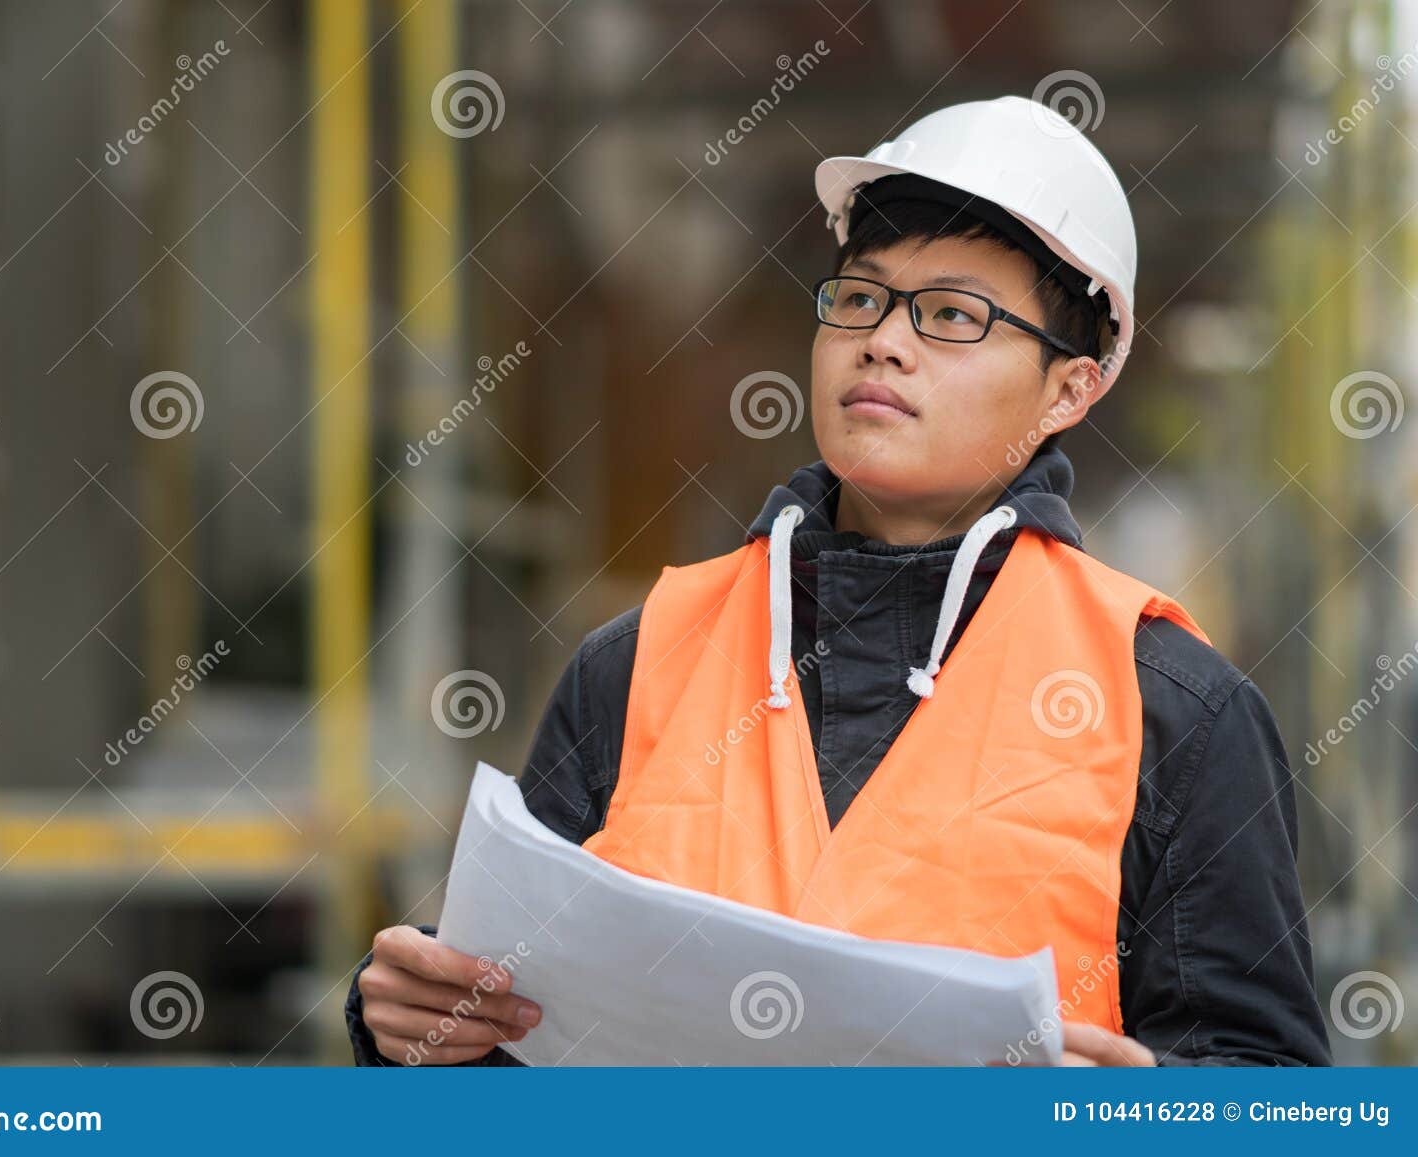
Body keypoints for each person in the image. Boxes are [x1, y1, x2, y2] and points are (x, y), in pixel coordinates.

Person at [345, 95, 1333, 1067]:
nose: (884, 339)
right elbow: (507, 1033)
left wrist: (1134, 1111)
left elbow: (1268, 1091)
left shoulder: (1171, 709)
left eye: (951, 314)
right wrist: (409, 1025)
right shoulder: (638, 661)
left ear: (1069, 385)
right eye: (860, 297)